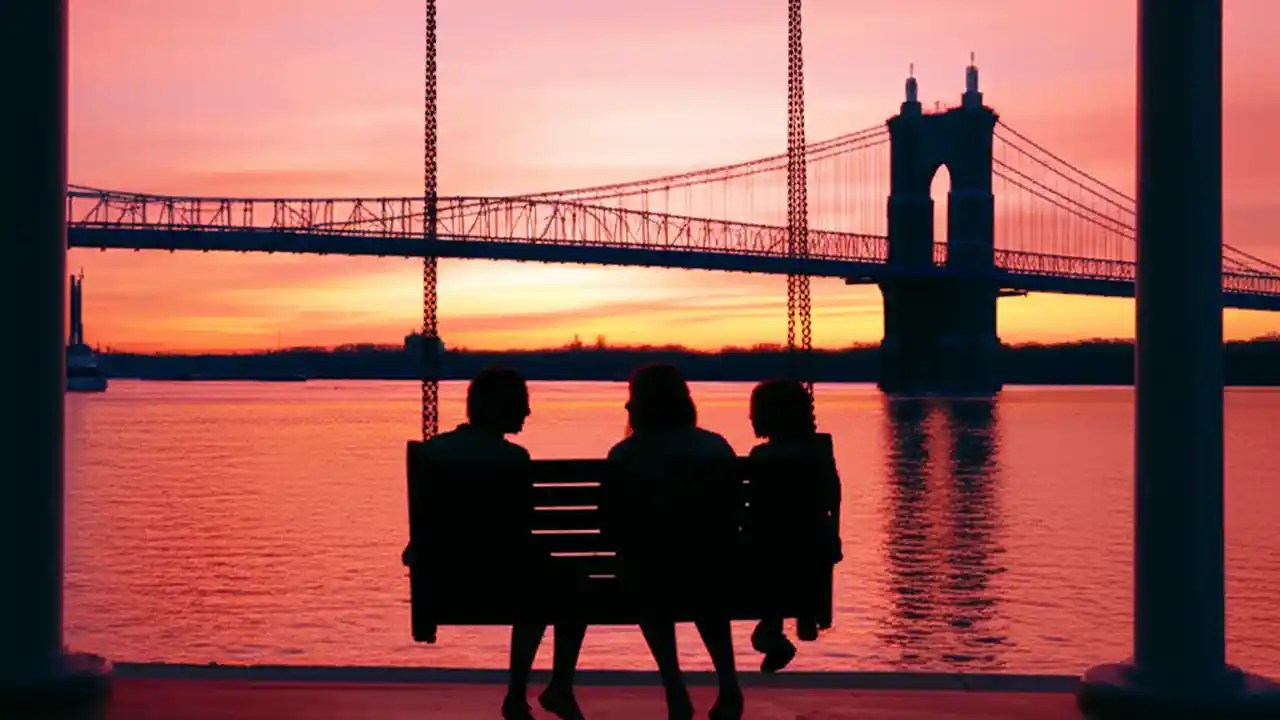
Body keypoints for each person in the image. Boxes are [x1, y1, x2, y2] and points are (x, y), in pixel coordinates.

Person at [402, 367, 588, 720]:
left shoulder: (433, 451)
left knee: (538, 584)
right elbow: (521, 526)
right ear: (501, 408)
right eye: (521, 403)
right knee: (566, 582)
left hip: (446, 581)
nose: (528, 411)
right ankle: (547, 688)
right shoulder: (513, 459)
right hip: (501, 579)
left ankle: (523, 697)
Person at [605, 365, 743, 720]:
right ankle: (728, 683)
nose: (626, 407)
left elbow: (609, 525)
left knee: (649, 577)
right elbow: (734, 515)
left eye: (632, 399)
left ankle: (674, 686)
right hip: (714, 569)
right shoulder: (715, 446)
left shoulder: (626, 454)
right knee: (703, 578)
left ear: (641, 405)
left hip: (649, 573)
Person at [744, 379, 843, 674]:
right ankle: (805, 611)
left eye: (754, 412)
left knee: (768, 545)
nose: (750, 417)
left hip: (769, 550)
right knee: (799, 542)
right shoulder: (820, 452)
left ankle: (772, 629)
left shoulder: (760, 457)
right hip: (813, 547)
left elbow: (754, 509)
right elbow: (833, 496)